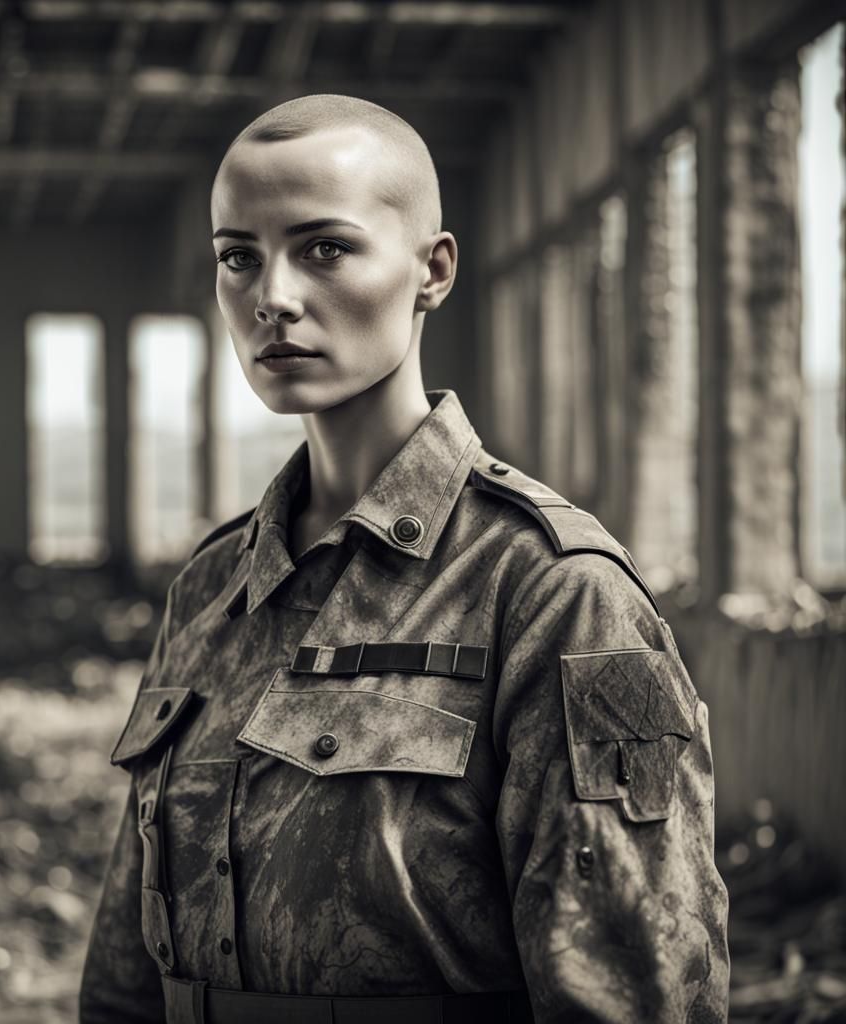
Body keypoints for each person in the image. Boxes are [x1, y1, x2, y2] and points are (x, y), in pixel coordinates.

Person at [79, 94, 730, 1024]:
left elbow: (633, 990)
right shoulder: (212, 589)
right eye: (238, 256)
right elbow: (125, 974)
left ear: (433, 271)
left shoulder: (553, 592)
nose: (272, 295)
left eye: (324, 249)